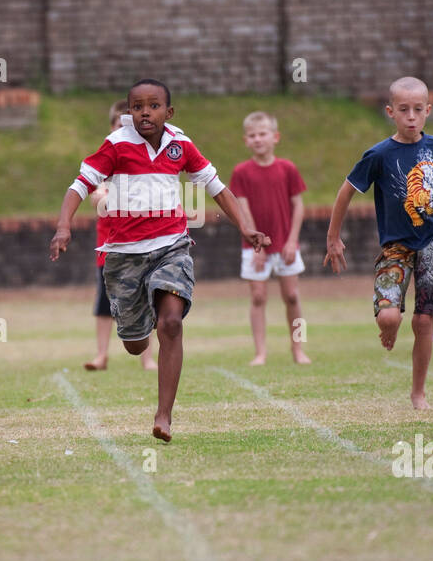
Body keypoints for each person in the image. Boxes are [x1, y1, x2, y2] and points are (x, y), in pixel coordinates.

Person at [50, 78, 269, 442]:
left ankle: (163, 415)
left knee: (171, 323)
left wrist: (246, 227)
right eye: (137, 107)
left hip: (171, 246)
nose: (145, 113)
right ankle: (141, 318)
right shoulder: (116, 145)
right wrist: (63, 227)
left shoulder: (180, 144)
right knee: (135, 343)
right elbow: (79, 185)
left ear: (169, 112)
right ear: (129, 112)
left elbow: (217, 188)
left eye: (153, 106)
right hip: (123, 257)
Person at [324, 77, 433, 410]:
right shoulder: (378, 154)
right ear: (391, 112)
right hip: (396, 248)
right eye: (404, 110)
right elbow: (345, 191)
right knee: (389, 316)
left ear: (428, 111)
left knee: (423, 320)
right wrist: (333, 237)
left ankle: (419, 392)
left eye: (418, 110)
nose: (411, 117)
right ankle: (388, 329)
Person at [230, 111, 311, 366]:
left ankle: (298, 349)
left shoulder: (287, 169)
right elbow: (242, 208)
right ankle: (260, 353)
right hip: (255, 248)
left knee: (292, 297)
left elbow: (298, 206)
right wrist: (258, 246)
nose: (258, 139)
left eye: (262, 134)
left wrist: (291, 242)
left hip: (285, 245)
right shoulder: (241, 172)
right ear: (246, 140)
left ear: (275, 137)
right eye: (252, 135)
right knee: (258, 297)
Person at [86, 100, 155, 372]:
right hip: (111, 249)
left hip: (145, 246)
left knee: (148, 301)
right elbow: (97, 197)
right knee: (105, 303)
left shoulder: (146, 161)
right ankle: (101, 355)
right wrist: (105, 195)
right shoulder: (105, 162)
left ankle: (148, 358)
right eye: (119, 124)